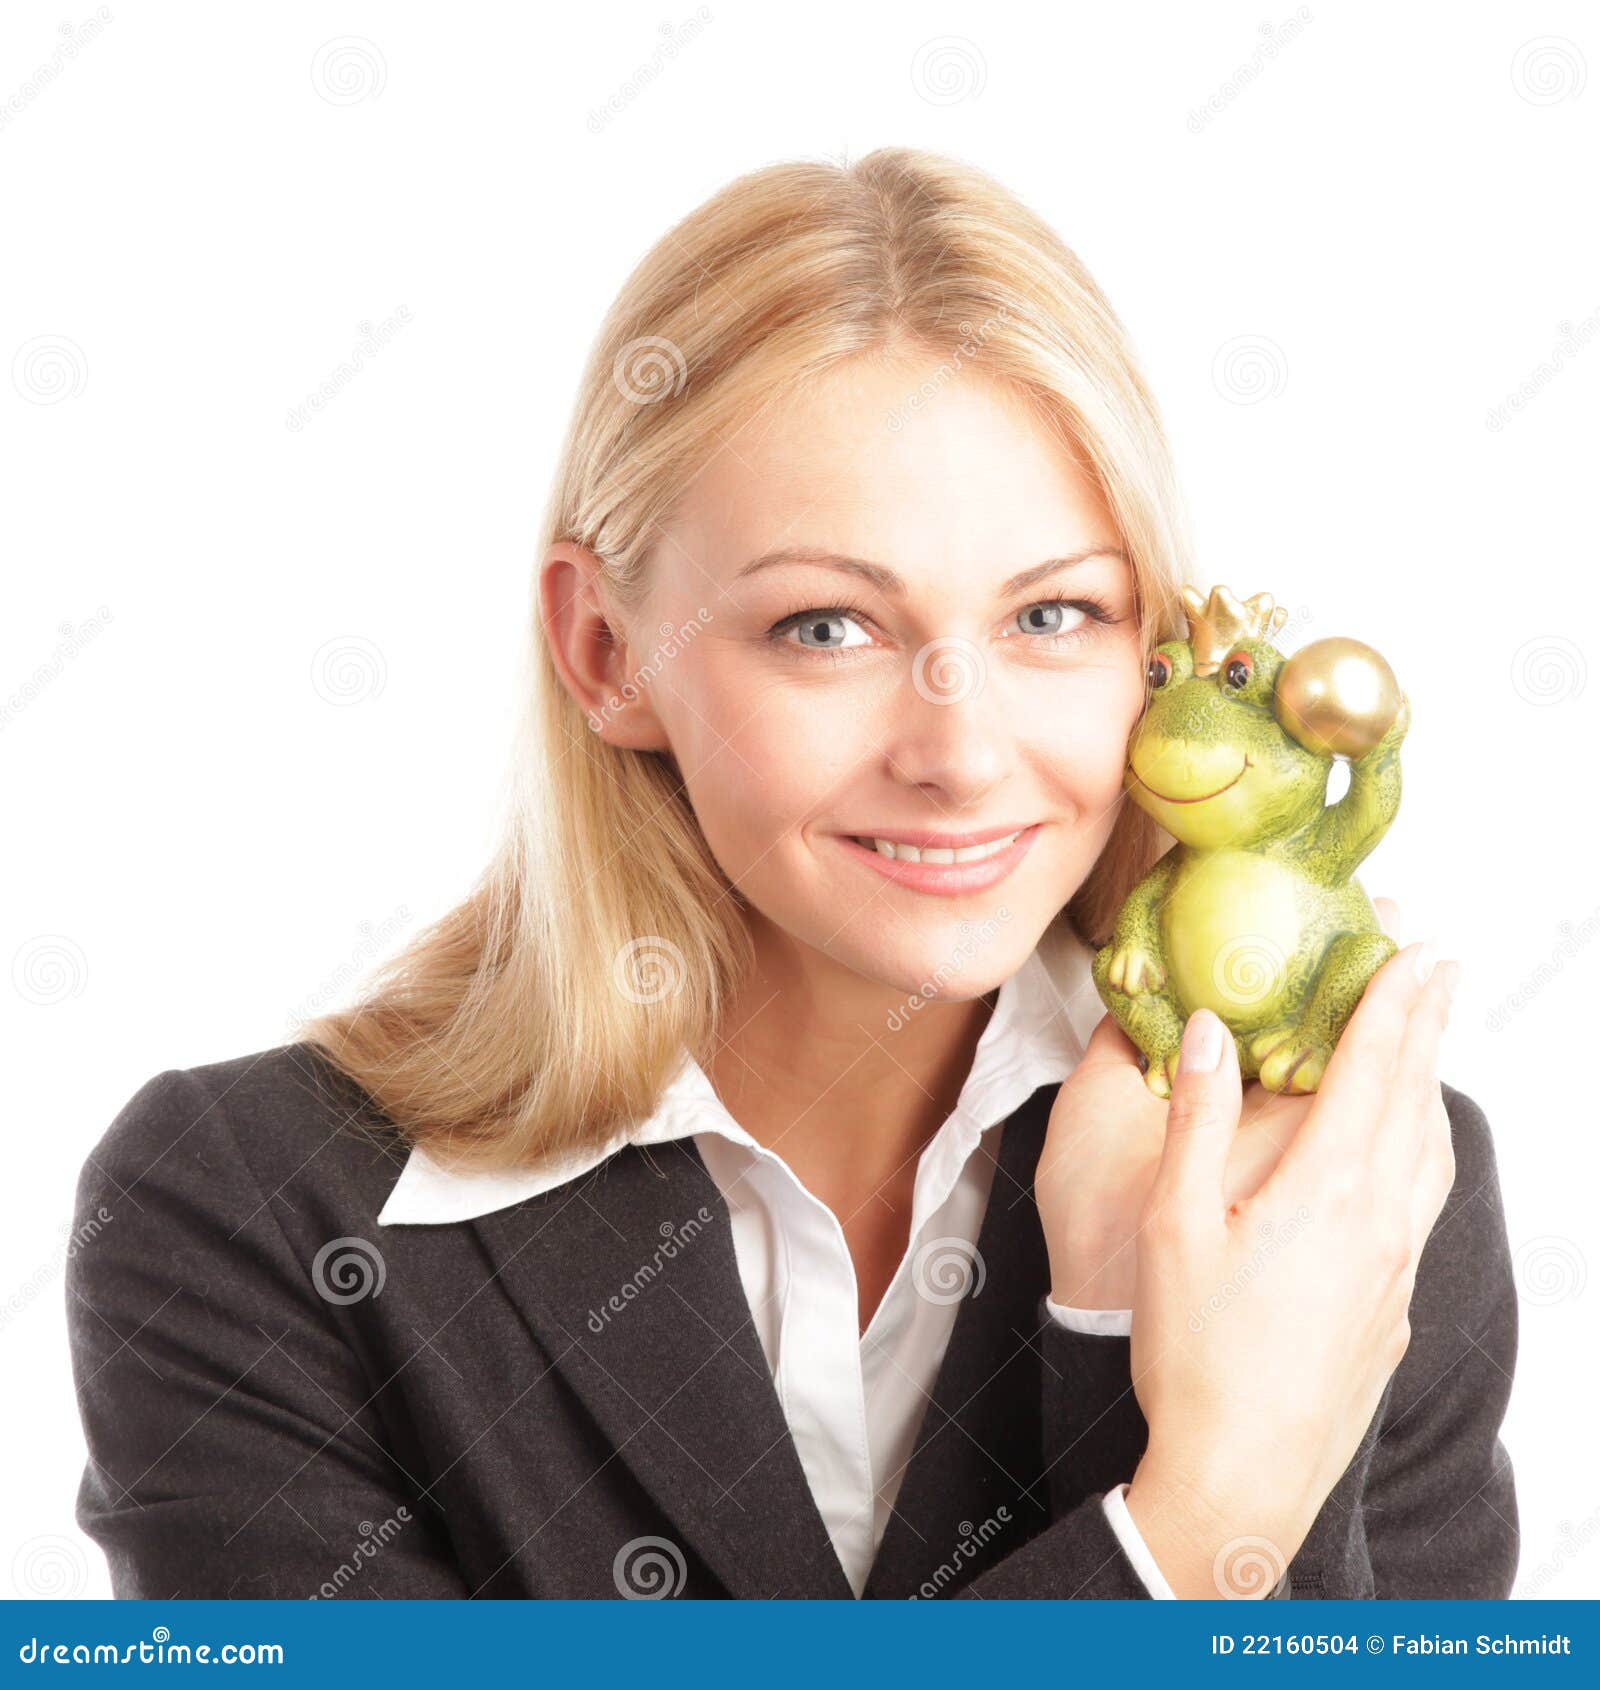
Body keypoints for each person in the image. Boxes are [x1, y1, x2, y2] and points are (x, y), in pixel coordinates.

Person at [65, 147, 1517, 1601]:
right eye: (829, 627)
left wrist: (1111, 1314)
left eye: (1054, 613)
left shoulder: (1359, 1185)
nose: (959, 752)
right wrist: (1199, 1525)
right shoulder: (252, 1208)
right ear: (606, 651)